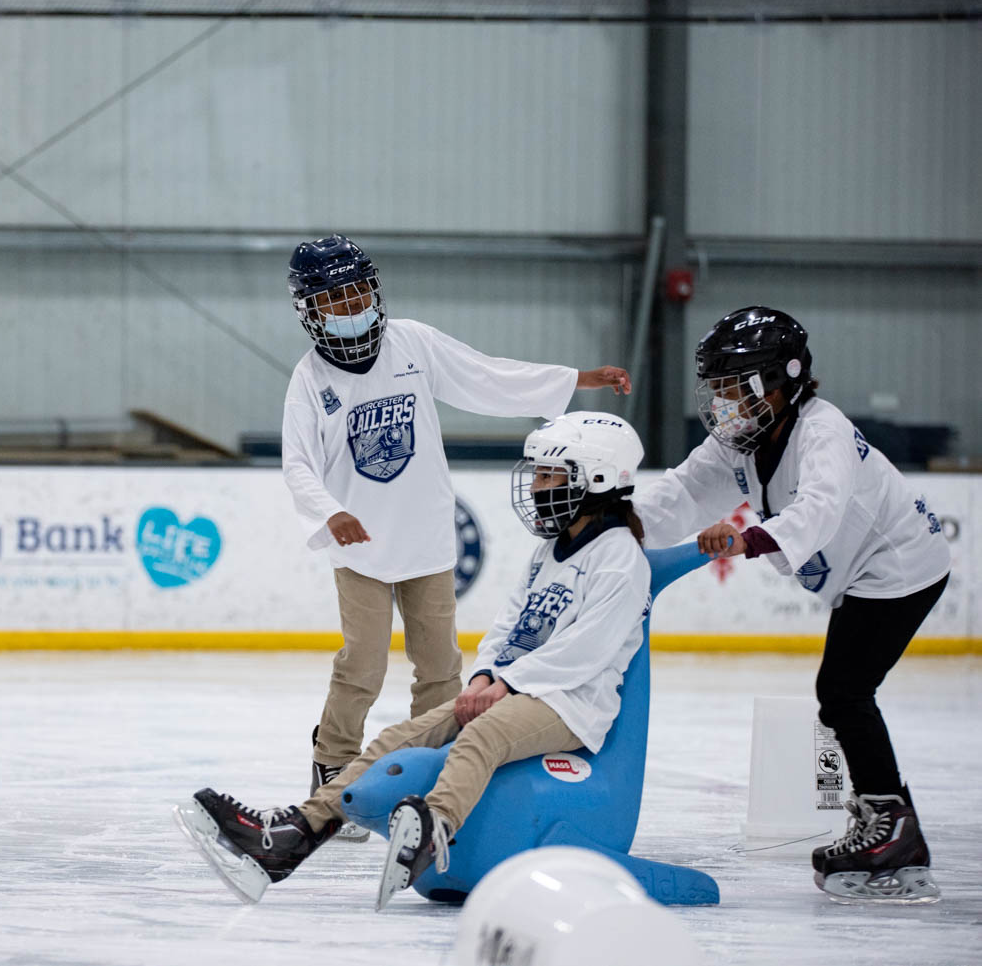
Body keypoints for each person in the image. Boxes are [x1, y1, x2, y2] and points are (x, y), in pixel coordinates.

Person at [176, 412, 652, 910]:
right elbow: (507, 626)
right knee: (397, 738)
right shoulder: (550, 551)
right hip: (514, 687)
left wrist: (506, 685)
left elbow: (586, 651)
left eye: (550, 475)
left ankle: (434, 829)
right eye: (536, 474)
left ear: (596, 478)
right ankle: (295, 835)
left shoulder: (619, 557)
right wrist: (487, 675)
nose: (536, 486)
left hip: (570, 704)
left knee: (480, 736)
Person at [279, 235, 630, 840]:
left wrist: (576, 379)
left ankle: (423, 773)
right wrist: (328, 512)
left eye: (359, 292)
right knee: (361, 664)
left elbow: (486, 377)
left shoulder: (411, 342)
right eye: (335, 300)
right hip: (360, 547)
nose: (352, 306)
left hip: (425, 538)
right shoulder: (310, 379)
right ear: (310, 311)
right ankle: (334, 764)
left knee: (440, 668)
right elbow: (298, 463)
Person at [633, 306, 950, 903]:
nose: (723, 402)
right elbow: (684, 489)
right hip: (861, 573)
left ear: (780, 381)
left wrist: (746, 539)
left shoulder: (821, 431)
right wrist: (616, 525)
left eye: (734, 386)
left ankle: (895, 831)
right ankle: (890, 822)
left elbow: (819, 510)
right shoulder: (743, 438)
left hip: (900, 567)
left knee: (844, 694)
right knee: (842, 694)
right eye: (719, 388)